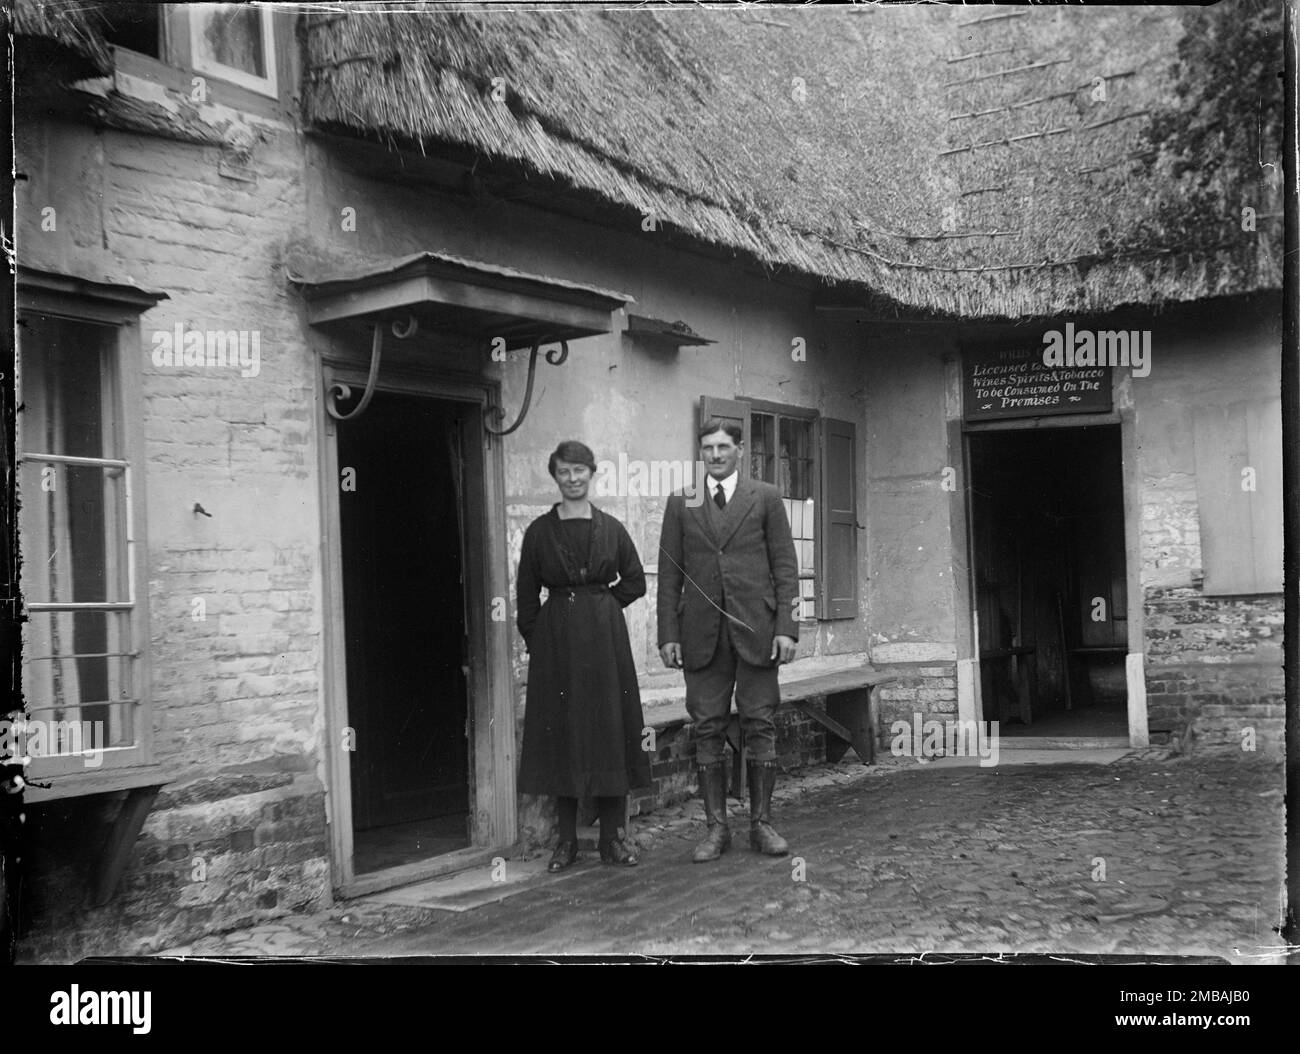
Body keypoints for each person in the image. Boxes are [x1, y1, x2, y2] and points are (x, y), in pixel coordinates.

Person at [657, 419, 800, 862]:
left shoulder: (767, 497)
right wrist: (668, 634)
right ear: (700, 452)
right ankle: (716, 829)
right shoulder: (682, 502)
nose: (715, 455)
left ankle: (762, 824)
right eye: (707, 448)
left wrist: (787, 628)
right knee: (707, 728)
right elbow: (669, 576)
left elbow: (786, 569)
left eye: (723, 447)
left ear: (741, 450)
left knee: (760, 723)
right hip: (702, 634)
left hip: (757, 630)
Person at [516, 440, 651, 872]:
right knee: (563, 734)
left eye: (579, 471)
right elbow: (525, 598)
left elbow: (634, 580)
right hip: (557, 649)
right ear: (554, 477)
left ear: (592, 474)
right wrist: (543, 640)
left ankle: (614, 839)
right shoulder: (539, 532)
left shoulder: (611, 528)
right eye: (564, 472)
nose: (572, 479)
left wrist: (604, 607)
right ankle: (566, 842)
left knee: (610, 731)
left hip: (605, 644)